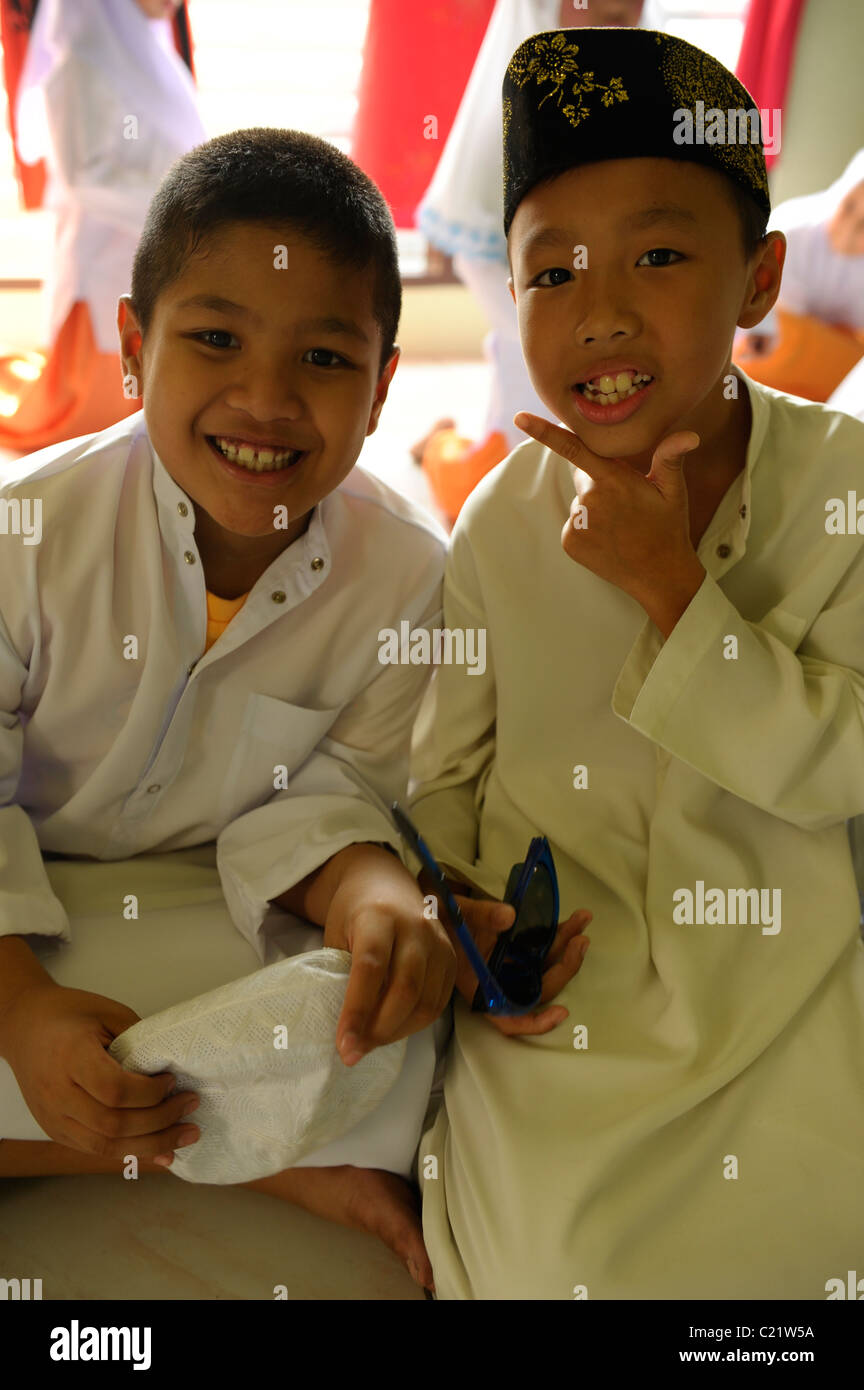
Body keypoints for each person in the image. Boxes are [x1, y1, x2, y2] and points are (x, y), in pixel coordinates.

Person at [0, 127, 591, 1294]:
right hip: (23, 926)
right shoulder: (29, 533)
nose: (263, 401)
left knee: (411, 1024)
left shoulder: (410, 572)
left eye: (323, 360)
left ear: (380, 390)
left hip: (211, 919)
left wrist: (378, 902)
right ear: (133, 348)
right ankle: (253, 1163)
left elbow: (343, 796)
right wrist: (21, 1007)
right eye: (214, 339)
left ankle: (172, 1134)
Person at [410, 26, 864, 1299]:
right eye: (551, 272)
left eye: (658, 257)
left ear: (761, 278)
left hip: (783, 987)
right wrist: (460, 910)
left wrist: (676, 589)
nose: (600, 311)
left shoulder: (844, 490)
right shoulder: (499, 519)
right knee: (560, 1261)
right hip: (562, 994)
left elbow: (844, 767)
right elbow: (441, 775)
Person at [413, 0, 663, 520]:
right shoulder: (538, 86)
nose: (621, 16)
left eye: (628, 11)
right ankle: (481, 468)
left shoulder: (603, 70)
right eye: (604, 9)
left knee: (520, 351)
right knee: (542, 357)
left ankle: (460, 447)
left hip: (541, 252)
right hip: (501, 245)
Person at [0, 0, 206, 451]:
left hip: (157, 249)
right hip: (103, 257)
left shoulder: (152, 54)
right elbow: (84, 177)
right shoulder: (81, 62)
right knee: (97, 430)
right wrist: (183, 206)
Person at [733, 148, 864, 403]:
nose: (849, 228)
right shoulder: (793, 229)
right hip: (770, 344)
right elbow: (770, 318)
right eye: (849, 207)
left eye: (863, 224)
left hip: (829, 353)